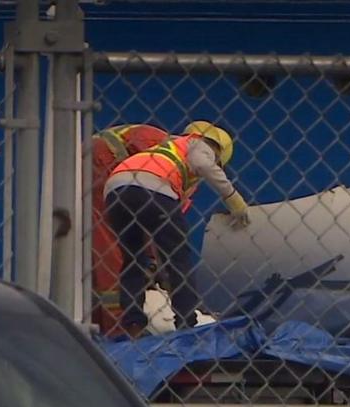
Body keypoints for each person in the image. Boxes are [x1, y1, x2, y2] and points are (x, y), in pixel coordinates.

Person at [104, 121, 250, 337]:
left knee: (133, 259)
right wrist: (233, 198)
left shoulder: (165, 148)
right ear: (218, 151)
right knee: (178, 258)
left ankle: (133, 322)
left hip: (115, 191)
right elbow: (203, 164)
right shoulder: (198, 145)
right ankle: (187, 323)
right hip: (154, 189)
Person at [91, 124, 170, 305]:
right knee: (113, 252)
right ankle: (121, 324)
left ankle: (98, 319)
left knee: (93, 248)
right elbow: (160, 221)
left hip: (91, 161)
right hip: (104, 165)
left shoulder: (163, 142)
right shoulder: (177, 161)